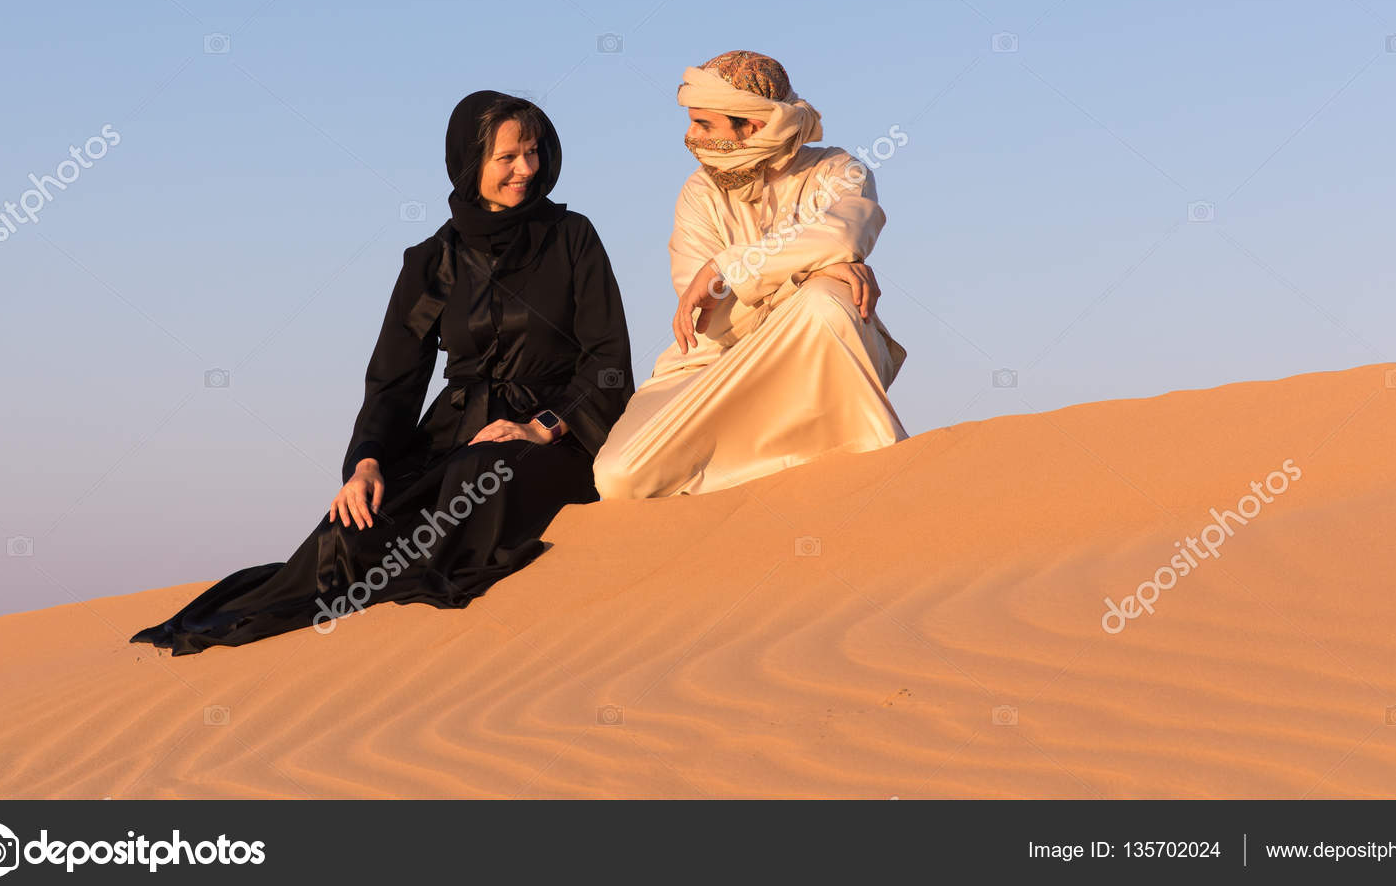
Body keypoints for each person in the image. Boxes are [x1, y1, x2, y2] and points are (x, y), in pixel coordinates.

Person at [132, 91, 633, 655]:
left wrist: (541, 426)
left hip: (553, 437)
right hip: (453, 432)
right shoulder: (431, 261)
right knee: (350, 532)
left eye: (534, 153)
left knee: (479, 475)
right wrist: (367, 461)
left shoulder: (572, 237)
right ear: (471, 164)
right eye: (509, 157)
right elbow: (395, 379)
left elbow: (608, 360)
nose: (527, 169)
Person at [592, 50, 906, 499]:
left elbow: (849, 230)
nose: (689, 135)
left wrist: (728, 266)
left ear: (755, 125)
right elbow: (711, 316)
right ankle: (773, 472)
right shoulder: (699, 193)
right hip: (716, 365)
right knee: (620, 477)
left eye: (704, 124)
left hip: (808, 348)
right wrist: (813, 265)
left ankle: (869, 480)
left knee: (825, 303)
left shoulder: (836, 171)